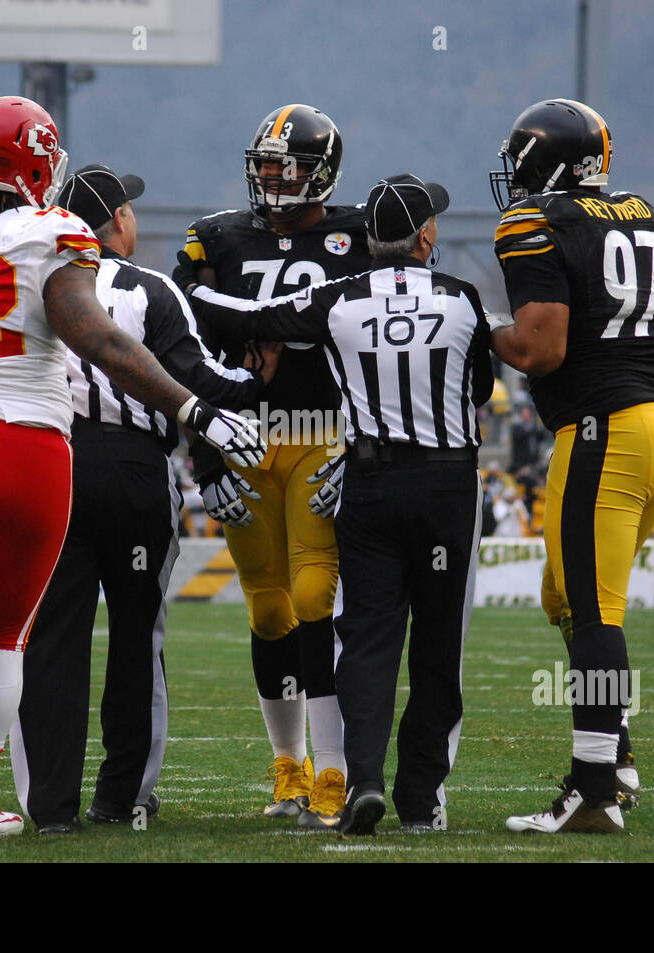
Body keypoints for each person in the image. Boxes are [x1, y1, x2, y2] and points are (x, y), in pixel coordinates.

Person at [0, 95, 264, 846]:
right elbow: (102, 343)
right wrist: (193, 411)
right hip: (30, 452)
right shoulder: (49, 234)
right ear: (33, 162)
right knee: (2, 637)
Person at [183, 173, 493, 834]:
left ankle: (362, 780)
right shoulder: (463, 298)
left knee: (367, 639)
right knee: (438, 643)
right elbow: (482, 389)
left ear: (368, 240)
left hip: (368, 481)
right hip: (444, 484)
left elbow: (250, 319)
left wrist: (189, 290)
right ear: (427, 235)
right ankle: (423, 797)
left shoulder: (339, 297)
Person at [11, 165, 275, 834]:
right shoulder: (148, 287)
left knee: (50, 638)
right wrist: (256, 377)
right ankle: (121, 796)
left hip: (52, 463)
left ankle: (50, 807)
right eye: (128, 209)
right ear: (115, 222)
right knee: (137, 635)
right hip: (132, 470)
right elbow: (197, 376)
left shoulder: (33, 283)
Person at [487, 99, 654, 833]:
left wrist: (484, 334)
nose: (513, 174)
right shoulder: (641, 213)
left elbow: (540, 349)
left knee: (596, 607)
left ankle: (595, 786)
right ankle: (619, 748)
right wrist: (638, 393)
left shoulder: (533, 221)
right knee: (563, 595)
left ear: (548, 161)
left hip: (606, 431)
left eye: (521, 158)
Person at [175, 104, 372, 827]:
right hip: (244, 432)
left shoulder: (355, 236)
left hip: (321, 430)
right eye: (263, 165)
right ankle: (288, 769)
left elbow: (374, 341)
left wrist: (362, 444)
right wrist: (205, 456)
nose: (270, 178)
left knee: (317, 596)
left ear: (320, 171)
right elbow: (183, 344)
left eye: (284, 167)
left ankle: (332, 773)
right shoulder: (218, 237)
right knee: (266, 605)